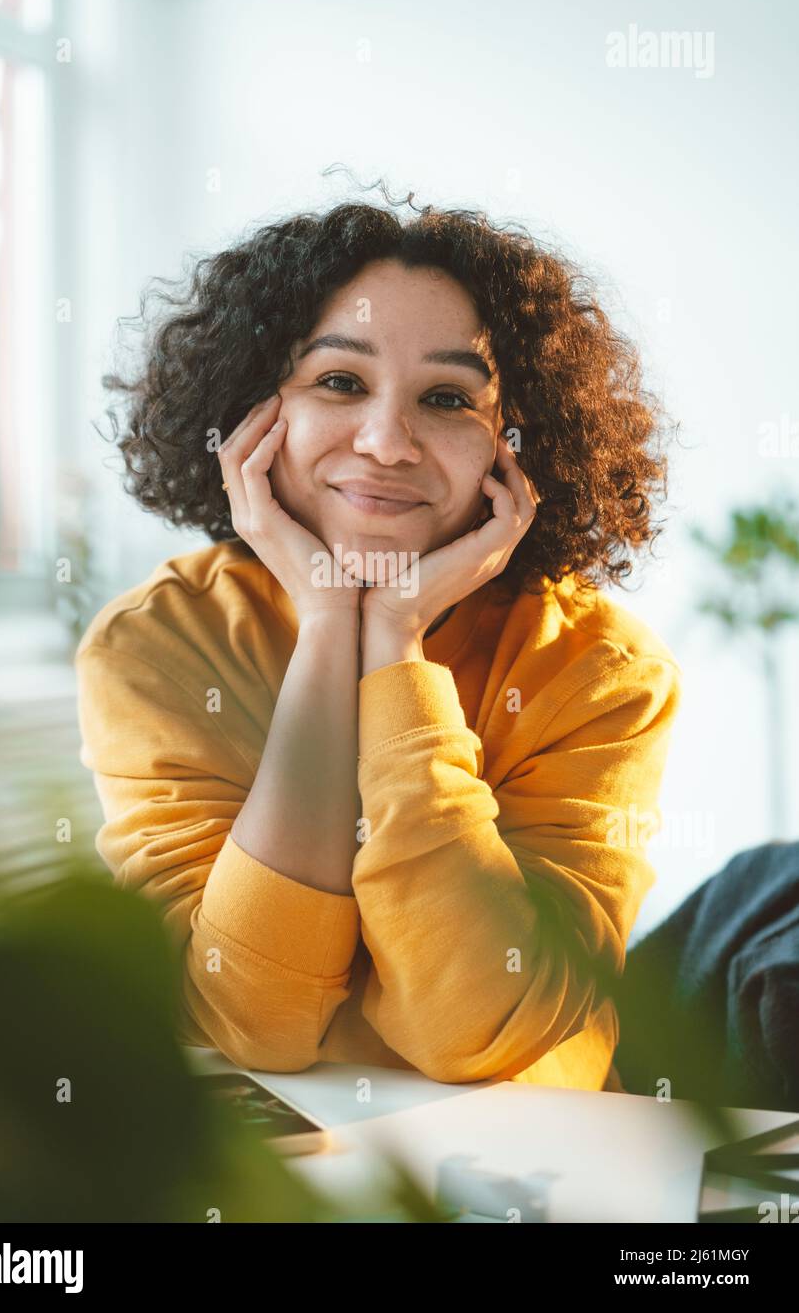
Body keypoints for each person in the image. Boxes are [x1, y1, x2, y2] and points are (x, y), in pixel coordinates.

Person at [75, 198, 682, 1090]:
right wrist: (329, 623)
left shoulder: (599, 669)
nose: (385, 443)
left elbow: (477, 1025)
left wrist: (391, 644)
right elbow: (248, 1018)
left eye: (445, 399)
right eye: (339, 383)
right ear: (252, 416)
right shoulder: (158, 644)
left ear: (513, 451)